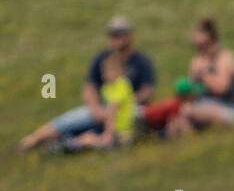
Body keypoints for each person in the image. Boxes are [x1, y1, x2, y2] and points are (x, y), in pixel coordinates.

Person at [17, 15, 155, 153]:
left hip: (130, 108)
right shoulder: (103, 59)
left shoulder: (142, 62)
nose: (116, 38)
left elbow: (147, 91)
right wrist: (97, 109)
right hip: (102, 108)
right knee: (77, 117)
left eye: (120, 34)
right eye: (113, 34)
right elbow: (90, 87)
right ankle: (35, 139)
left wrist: (121, 105)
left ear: (130, 36)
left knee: (139, 116)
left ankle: (74, 143)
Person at [168, 17, 234, 136]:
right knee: (175, 121)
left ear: (212, 40)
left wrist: (203, 74)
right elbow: (192, 94)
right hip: (202, 107)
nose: (200, 49)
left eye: (203, 45)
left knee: (189, 112)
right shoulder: (196, 62)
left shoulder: (225, 58)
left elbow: (222, 87)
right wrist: (185, 90)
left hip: (229, 109)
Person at [65, 53, 137, 151]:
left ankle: (71, 145)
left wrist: (109, 133)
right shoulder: (107, 88)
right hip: (108, 125)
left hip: (120, 128)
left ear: (120, 71)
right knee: (88, 135)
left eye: (108, 71)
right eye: (103, 72)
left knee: (91, 139)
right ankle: (71, 143)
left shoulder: (122, 85)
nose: (104, 75)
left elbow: (113, 110)